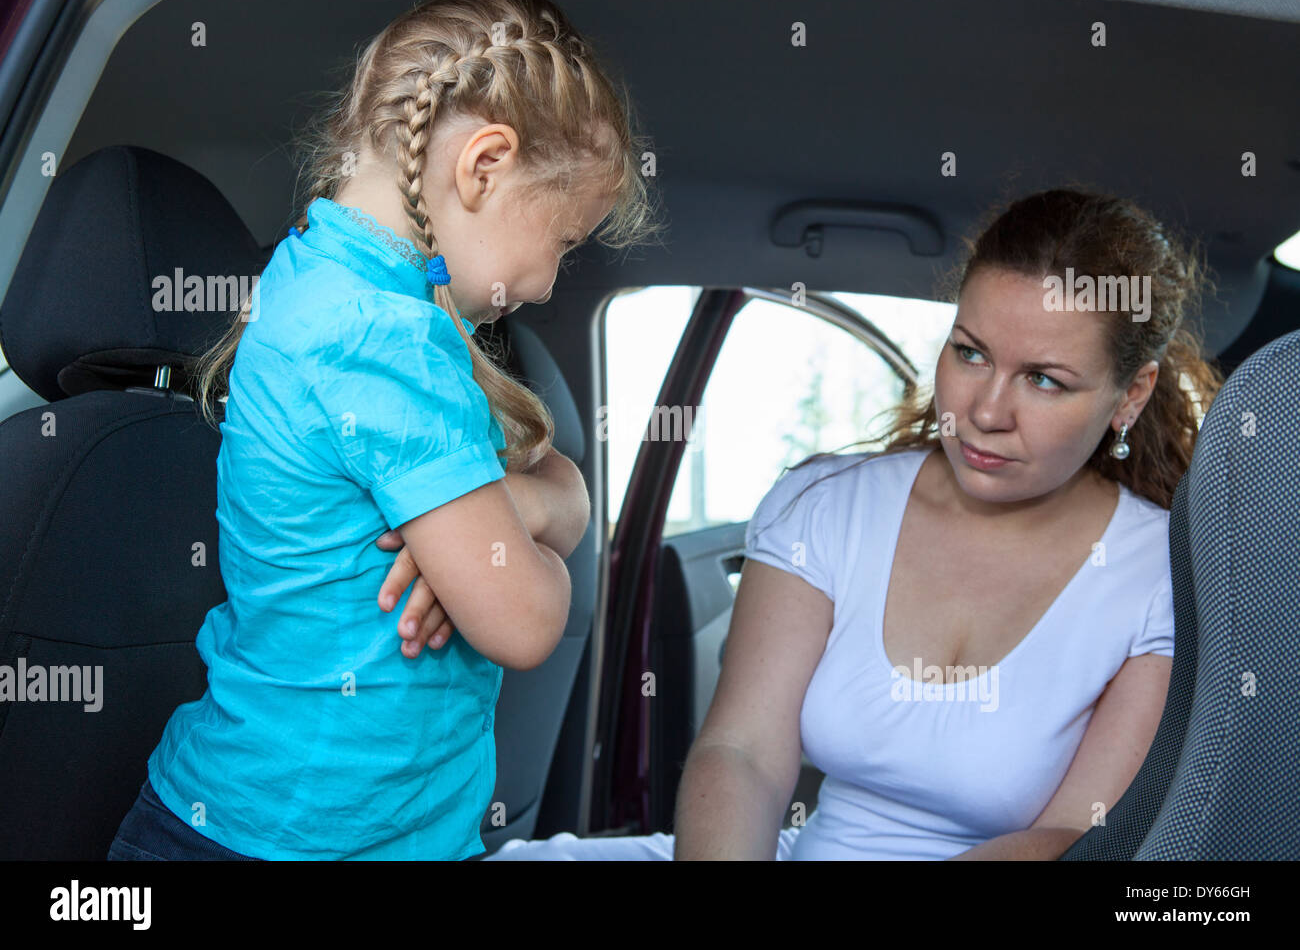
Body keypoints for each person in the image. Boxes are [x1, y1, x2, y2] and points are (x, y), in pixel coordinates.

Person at [389, 188, 1224, 860]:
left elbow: (1077, 834)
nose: (985, 411)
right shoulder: (828, 506)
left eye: (1045, 380)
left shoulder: (1163, 572)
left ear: (1132, 394)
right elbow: (743, 755)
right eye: (970, 353)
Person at [107, 0, 658, 861]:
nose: (551, 283)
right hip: (286, 842)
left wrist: (499, 513)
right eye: (562, 239)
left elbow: (568, 492)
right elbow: (525, 622)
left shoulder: (325, 281)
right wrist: (510, 542)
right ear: (484, 166)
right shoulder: (382, 339)